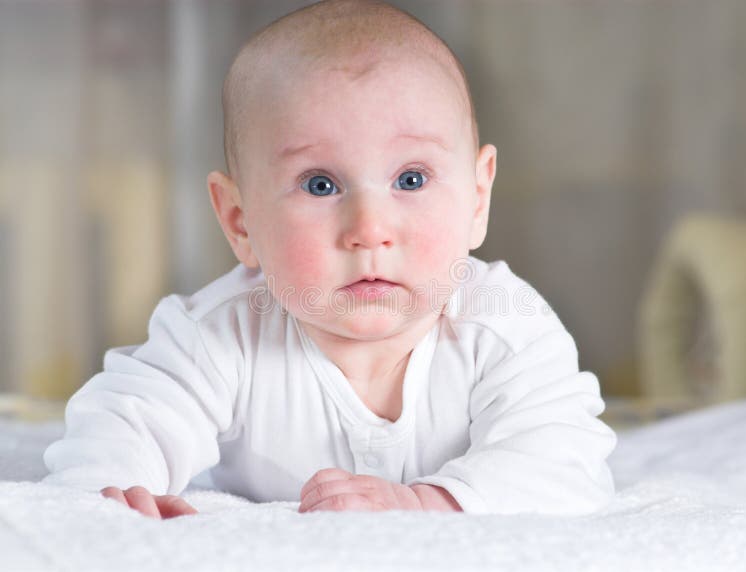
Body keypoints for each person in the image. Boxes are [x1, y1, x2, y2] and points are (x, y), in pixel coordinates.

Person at [41, 0, 616, 518]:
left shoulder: (504, 325)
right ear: (240, 221)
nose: (369, 231)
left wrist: (429, 502)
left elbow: (563, 459)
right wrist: (114, 492)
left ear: (477, 198)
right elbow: (129, 416)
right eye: (320, 185)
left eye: (410, 179)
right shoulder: (221, 334)